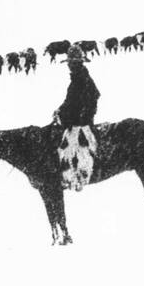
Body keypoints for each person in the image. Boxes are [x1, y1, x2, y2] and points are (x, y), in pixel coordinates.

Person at [52, 45, 99, 191]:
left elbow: (92, 99)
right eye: (69, 63)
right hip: (74, 121)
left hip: (82, 123)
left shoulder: (83, 78)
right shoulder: (77, 78)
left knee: (76, 148)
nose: (69, 65)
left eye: (72, 63)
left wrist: (79, 118)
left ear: (79, 63)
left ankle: (77, 179)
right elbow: (70, 101)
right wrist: (60, 110)